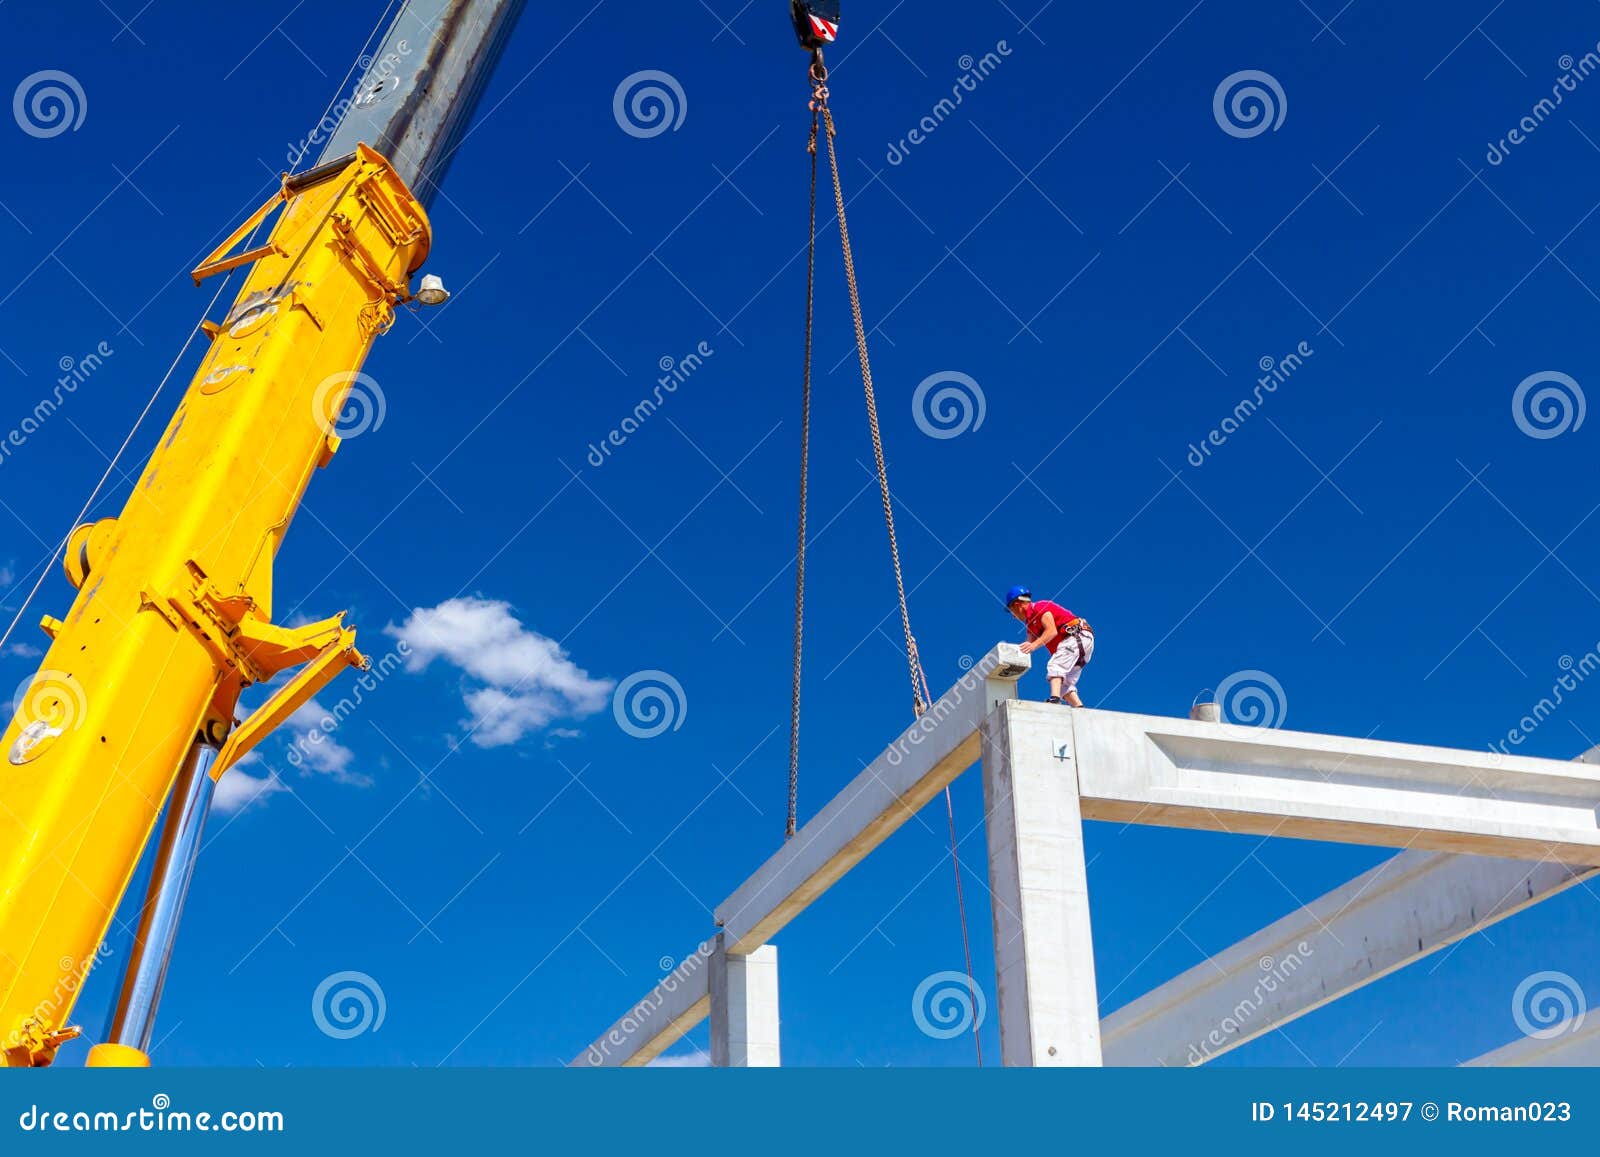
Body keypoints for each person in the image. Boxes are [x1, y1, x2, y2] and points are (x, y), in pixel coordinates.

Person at [1004, 585, 1093, 706]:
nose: (1013, 616)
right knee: (1063, 682)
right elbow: (1027, 644)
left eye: (1011, 611)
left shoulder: (1039, 607)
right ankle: (1079, 708)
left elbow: (1051, 631)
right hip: (1080, 642)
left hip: (1076, 637)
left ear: (1017, 605)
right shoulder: (1030, 625)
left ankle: (1054, 700)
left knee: (1055, 666)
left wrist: (1033, 645)